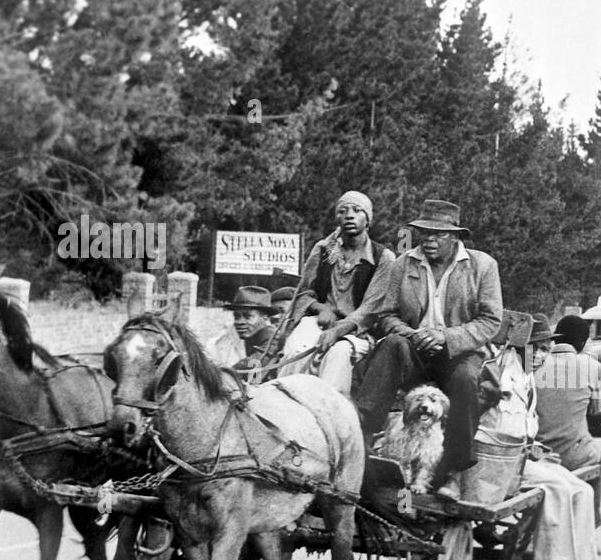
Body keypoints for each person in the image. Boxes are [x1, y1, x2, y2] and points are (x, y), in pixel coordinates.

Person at [354, 199, 503, 498]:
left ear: (456, 237)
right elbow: (386, 316)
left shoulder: (481, 266)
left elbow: (490, 320)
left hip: (460, 353)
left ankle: (453, 473)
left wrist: (445, 337)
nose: (429, 240)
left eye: (439, 234)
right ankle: (362, 442)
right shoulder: (404, 264)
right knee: (392, 345)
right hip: (414, 349)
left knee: (464, 381)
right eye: (424, 233)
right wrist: (413, 334)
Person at [481, 314, 599, 560]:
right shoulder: (499, 375)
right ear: (519, 348)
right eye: (537, 348)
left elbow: (525, 428)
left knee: (582, 490)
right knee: (557, 488)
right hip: (495, 464)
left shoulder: (528, 379)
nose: (542, 355)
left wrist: (535, 449)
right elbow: (491, 427)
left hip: (520, 458)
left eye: (546, 349)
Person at [283, 190, 395, 391]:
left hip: (358, 331)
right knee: (294, 350)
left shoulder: (383, 258)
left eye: (357, 210)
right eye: (342, 211)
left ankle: (328, 413)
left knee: (339, 354)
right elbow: (304, 292)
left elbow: (372, 308)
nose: (349, 215)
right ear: (337, 218)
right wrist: (320, 308)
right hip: (321, 321)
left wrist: (338, 330)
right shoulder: (323, 249)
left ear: (368, 219)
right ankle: (286, 406)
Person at [533, 314, 601, 525]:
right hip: (574, 455)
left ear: (555, 338)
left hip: (538, 451)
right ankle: (593, 521)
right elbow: (595, 409)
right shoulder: (592, 366)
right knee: (599, 459)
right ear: (582, 343)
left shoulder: (536, 364)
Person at [204, 286, 276, 369]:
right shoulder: (234, 338)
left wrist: (228, 373)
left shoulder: (272, 335)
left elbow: (256, 361)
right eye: (236, 316)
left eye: (247, 316)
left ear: (265, 317)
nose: (239, 322)